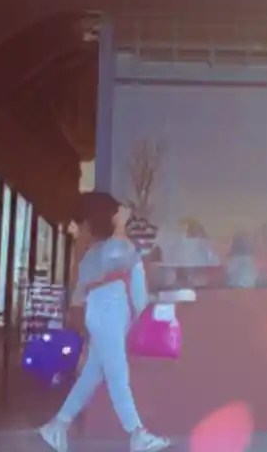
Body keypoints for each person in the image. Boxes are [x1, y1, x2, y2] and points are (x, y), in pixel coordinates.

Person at [37, 192, 171, 452]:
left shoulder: (110, 247)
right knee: (117, 373)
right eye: (117, 213)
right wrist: (121, 226)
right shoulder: (102, 250)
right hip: (106, 313)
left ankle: (57, 425)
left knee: (93, 374)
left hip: (112, 314)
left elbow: (131, 270)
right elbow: (116, 258)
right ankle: (137, 433)